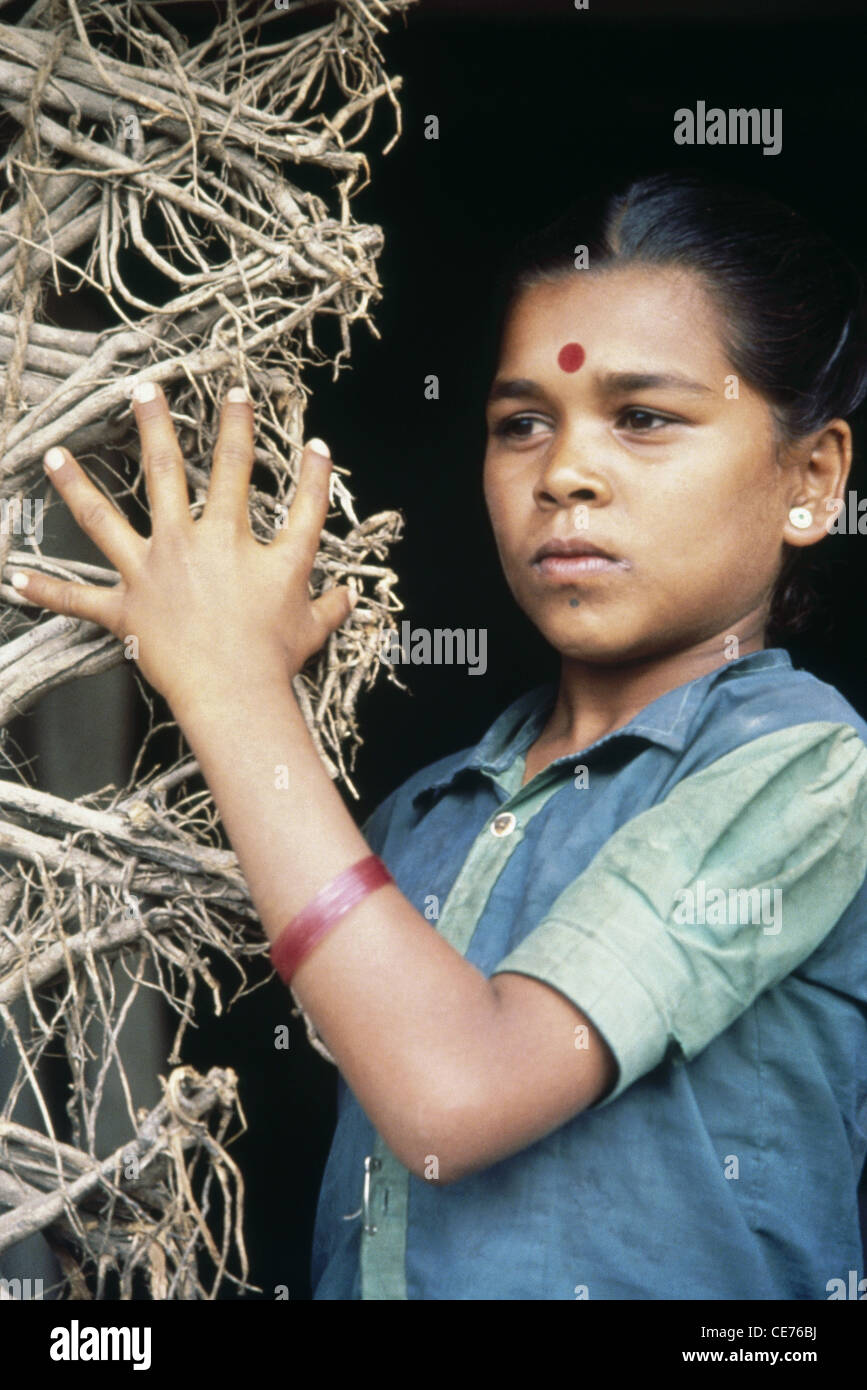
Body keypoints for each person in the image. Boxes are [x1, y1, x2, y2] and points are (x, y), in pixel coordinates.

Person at [12, 170, 867, 1301]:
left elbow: (452, 1096)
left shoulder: (810, 770)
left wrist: (230, 687)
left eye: (646, 418)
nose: (564, 473)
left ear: (811, 480)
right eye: (522, 423)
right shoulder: (423, 813)